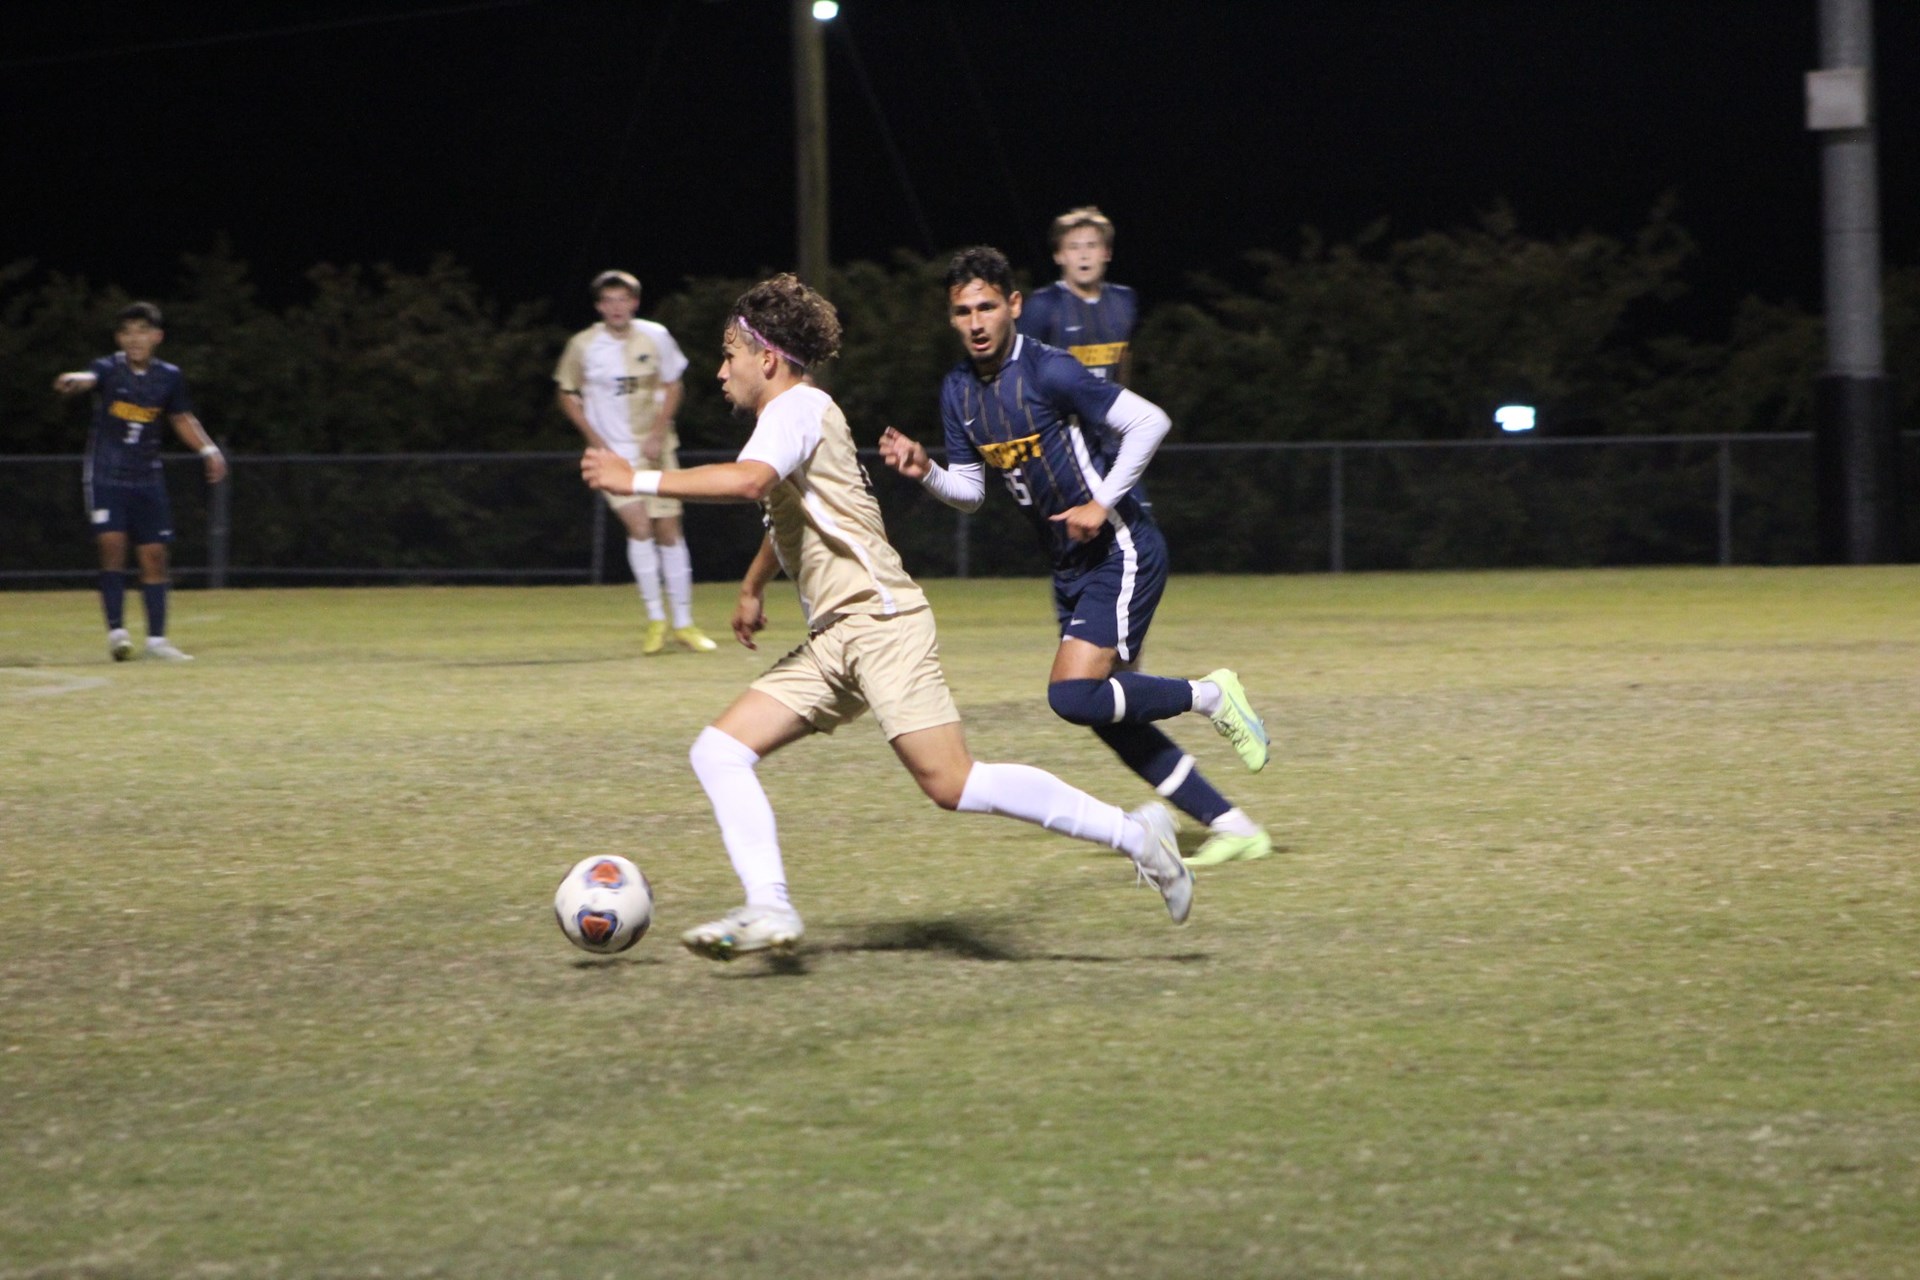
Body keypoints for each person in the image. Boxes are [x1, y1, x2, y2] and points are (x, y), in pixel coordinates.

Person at [581, 273, 1193, 959]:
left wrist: (631, 477)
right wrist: (755, 584)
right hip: (836, 636)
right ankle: (770, 908)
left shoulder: (796, 409)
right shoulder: (787, 420)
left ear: (768, 359)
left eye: (728, 354)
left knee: (953, 783)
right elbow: (788, 512)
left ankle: (1137, 834)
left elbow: (748, 482)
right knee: (719, 751)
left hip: (879, 622)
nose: (720, 370)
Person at [879, 246, 1272, 868]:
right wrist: (925, 468)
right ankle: (1233, 825)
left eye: (987, 306)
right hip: (1068, 568)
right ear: (951, 318)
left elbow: (1149, 421)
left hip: (1119, 548)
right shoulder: (958, 392)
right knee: (1107, 710)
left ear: (1013, 306)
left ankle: (1211, 695)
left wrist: (1100, 502)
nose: (976, 321)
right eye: (962, 311)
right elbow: (971, 494)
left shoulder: (1050, 371)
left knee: (1072, 696)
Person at [53, 302, 227, 662]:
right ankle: (117, 632)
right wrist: (76, 380)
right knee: (112, 546)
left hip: (147, 477)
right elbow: (90, 377)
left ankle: (157, 641)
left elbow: (181, 418)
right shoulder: (109, 368)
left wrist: (208, 450)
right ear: (119, 338)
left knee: (155, 555)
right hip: (106, 475)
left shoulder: (169, 376)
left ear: (157, 337)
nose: (135, 338)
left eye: (142, 331)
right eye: (128, 331)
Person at [556, 270, 716, 654]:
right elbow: (566, 392)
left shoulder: (656, 336)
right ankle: (656, 620)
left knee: (668, 529)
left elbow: (673, 384)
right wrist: (594, 440)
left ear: (634, 302)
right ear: (599, 306)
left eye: (622, 299)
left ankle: (683, 622)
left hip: (655, 450)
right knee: (639, 525)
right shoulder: (583, 345)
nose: (616, 307)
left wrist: (658, 432)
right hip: (612, 456)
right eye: (608, 300)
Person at [1016, 206, 1137, 385]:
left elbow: (1124, 359)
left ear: (1106, 253)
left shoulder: (1124, 300)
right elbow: (1019, 369)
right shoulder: (1042, 304)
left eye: (1092, 245)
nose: (1084, 255)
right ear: (1058, 256)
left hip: (1105, 409)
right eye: (1074, 247)